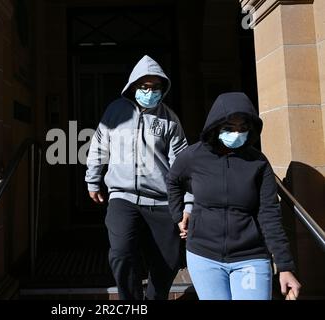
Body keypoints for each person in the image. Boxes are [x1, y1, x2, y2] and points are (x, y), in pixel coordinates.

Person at [166, 92, 301, 300]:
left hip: (251, 257)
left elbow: (270, 215)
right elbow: (173, 180)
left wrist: (285, 266)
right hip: (203, 255)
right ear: (216, 126)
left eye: (243, 128)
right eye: (229, 128)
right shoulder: (193, 156)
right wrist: (178, 215)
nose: (236, 133)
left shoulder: (259, 163)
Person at [85, 55, 193, 300]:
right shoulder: (115, 112)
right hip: (124, 197)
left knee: (168, 261)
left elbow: (184, 165)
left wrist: (188, 204)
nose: (149, 91)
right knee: (121, 253)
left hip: (163, 201)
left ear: (163, 89)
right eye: (144, 86)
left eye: (155, 87)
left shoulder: (169, 120)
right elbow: (99, 146)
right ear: (133, 86)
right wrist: (93, 180)